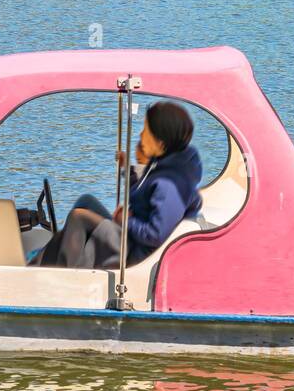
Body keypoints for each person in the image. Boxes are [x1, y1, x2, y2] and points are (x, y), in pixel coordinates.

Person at [37, 102, 203, 271]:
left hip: (133, 249)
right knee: (86, 201)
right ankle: (40, 264)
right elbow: (141, 196)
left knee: (78, 217)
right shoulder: (164, 164)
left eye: (146, 130)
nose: (141, 134)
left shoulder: (170, 185)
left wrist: (126, 221)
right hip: (130, 235)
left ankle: (64, 278)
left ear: (160, 142)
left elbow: (154, 235)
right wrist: (126, 170)